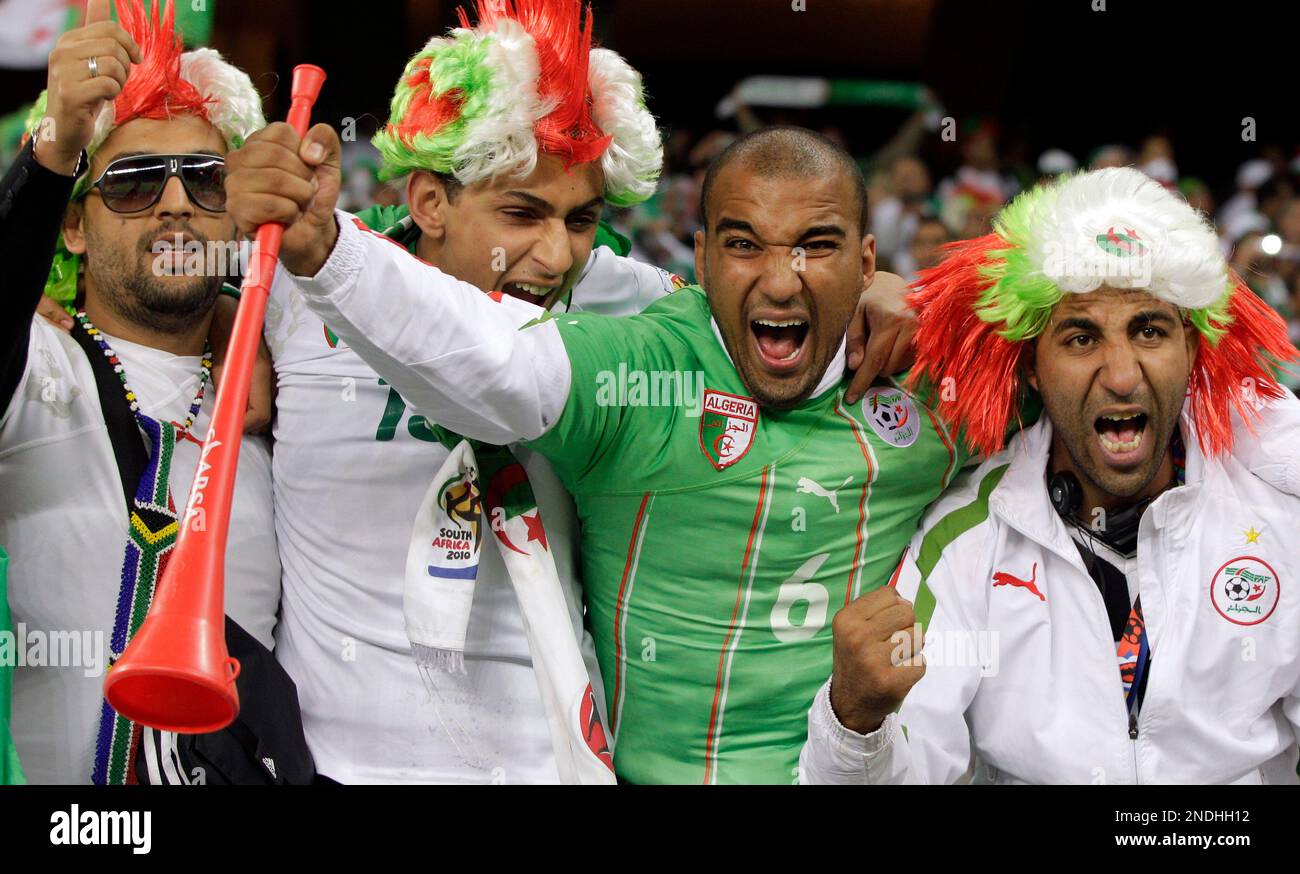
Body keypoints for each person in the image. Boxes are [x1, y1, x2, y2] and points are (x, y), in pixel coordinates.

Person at [226, 117, 955, 784]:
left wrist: (908, 299)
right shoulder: (646, 359)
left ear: (863, 257)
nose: (552, 253)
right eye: (742, 244)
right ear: (704, 260)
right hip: (335, 763)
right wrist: (284, 281)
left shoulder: (617, 292)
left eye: (581, 220)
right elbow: (507, 366)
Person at [799, 167, 1300, 784]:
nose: (1121, 375)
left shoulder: (1279, 513)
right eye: (1081, 337)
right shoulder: (968, 545)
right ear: (1033, 368)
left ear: (1192, 352)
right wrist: (855, 725)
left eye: (1148, 330)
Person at [0, 0, 283, 784]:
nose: (174, 200)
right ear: (74, 227)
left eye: (206, 178)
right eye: (130, 182)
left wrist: (250, 325)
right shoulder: (35, 372)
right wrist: (55, 141)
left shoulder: (291, 392)